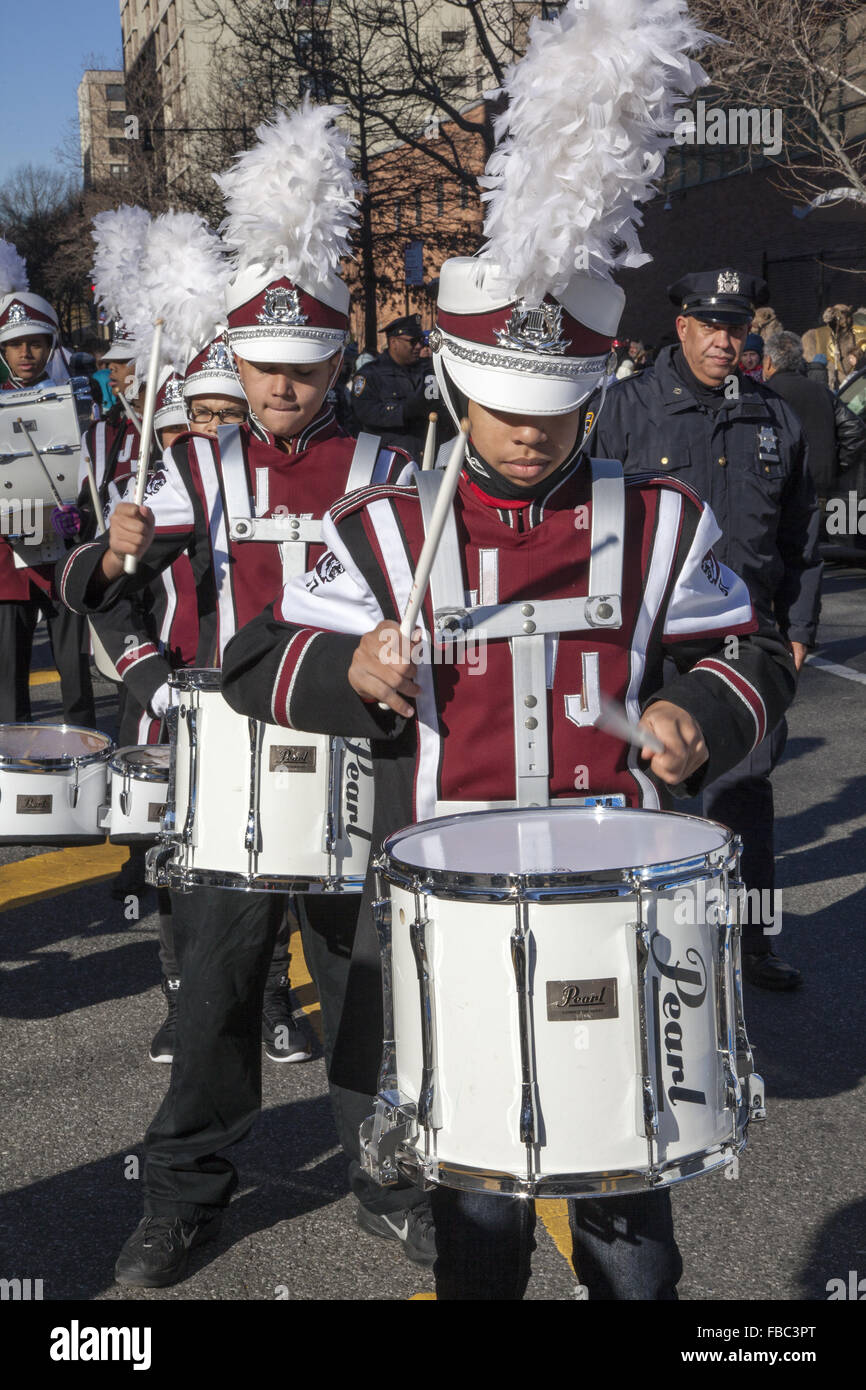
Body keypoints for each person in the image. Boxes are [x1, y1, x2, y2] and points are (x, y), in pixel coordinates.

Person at [222, 0, 796, 1301]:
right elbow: (254, 663)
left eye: (554, 407)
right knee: (477, 1223)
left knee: (631, 1234)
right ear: (455, 385)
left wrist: (699, 716)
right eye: (501, 403)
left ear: (594, 388)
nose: (527, 432)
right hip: (453, 917)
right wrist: (355, 673)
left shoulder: (655, 524)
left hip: (618, 905)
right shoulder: (382, 532)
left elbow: (750, 660)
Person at [57, 104, 421, 1288]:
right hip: (224, 771)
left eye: (301, 367)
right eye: (260, 365)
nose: (278, 383)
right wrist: (117, 560)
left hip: (353, 755)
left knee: (368, 996)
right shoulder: (191, 464)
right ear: (236, 363)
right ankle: (182, 1199)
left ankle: (385, 1176)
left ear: (333, 368)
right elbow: (94, 594)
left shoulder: (386, 467)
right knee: (214, 1001)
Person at [593, 268, 823, 991]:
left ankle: (753, 943)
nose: (727, 341)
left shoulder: (773, 415)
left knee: (747, 793)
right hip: (651, 640)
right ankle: (644, 946)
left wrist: (798, 630)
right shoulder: (623, 409)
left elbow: (802, 536)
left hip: (744, 641)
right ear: (683, 326)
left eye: (738, 327)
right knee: (648, 787)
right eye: (712, 326)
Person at [0, 239, 95, 727]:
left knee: (76, 680)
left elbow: (97, 471)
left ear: (51, 345)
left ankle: (83, 767)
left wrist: (83, 509)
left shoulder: (79, 403)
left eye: (35, 342)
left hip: (65, 551)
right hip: (5, 563)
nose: (25, 353)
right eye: (14, 344)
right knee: (7, 684)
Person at [762, 329, 866, 504]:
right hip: (820, 490)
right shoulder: (822, 391)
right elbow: (854, 429)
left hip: (778, 493)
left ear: (768, 362)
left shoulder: (764, 394)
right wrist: (835, 466)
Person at [350, 313, 442, 455]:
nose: (418, 346)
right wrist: (403, 411)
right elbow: (364, 412)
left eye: (421, 341)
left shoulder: (429, 371)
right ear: (393, 342)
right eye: (413, 341)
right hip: (389, 457)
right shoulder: (371, 374)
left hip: (429, 454)